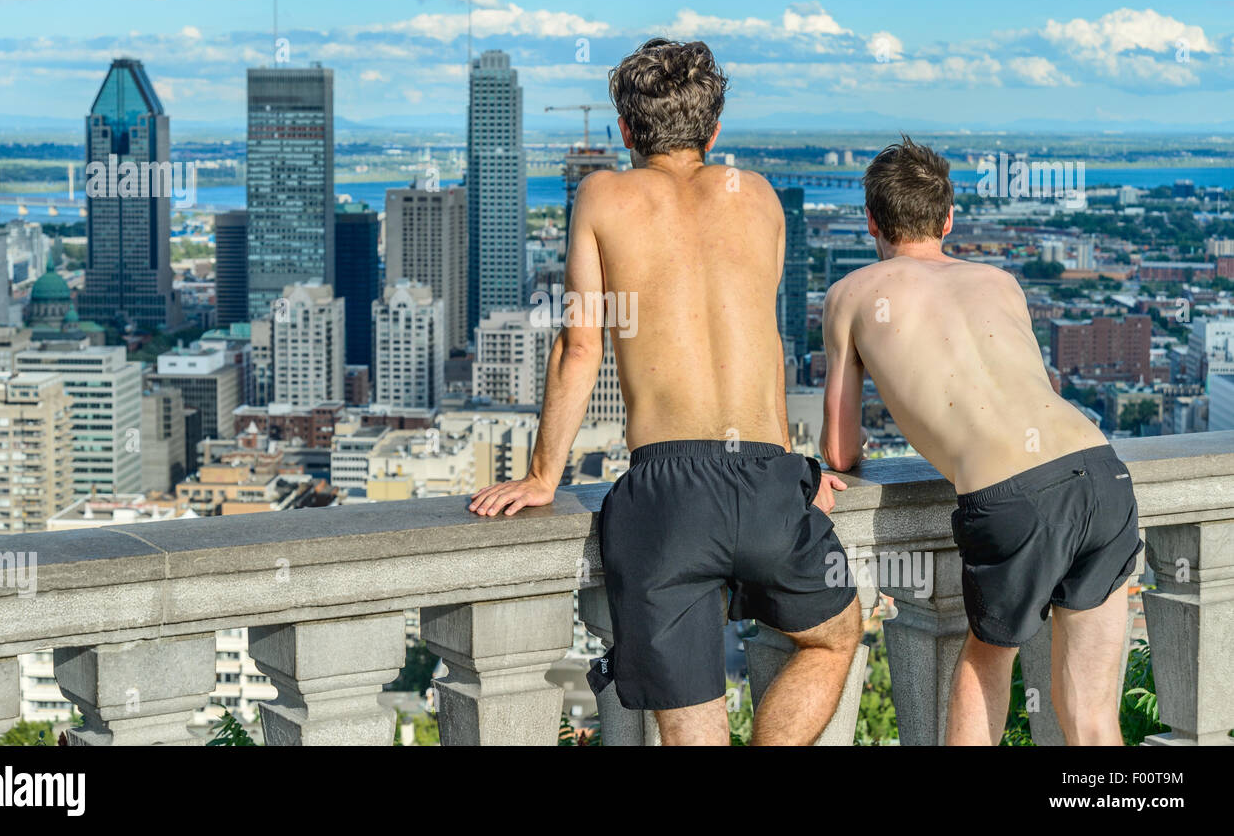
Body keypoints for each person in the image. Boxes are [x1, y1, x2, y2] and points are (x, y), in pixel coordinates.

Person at [469, 38, 861, 746]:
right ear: (714, 130)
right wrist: (796, 468)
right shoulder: (761, 196)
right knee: (837, 636)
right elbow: (763, 342)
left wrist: (541, 474)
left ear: (625, 131)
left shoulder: (602, 194)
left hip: (667, 495)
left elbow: (581, 344)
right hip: (767, 478)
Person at [820, 135, 1142, 745]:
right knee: (1096, 721)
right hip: (1102, 473)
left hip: (1015, 497)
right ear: (947, 218)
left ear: (870, 221)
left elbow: (840, 451)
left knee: (987, 660)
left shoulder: (853, 295)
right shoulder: (1000, 280)